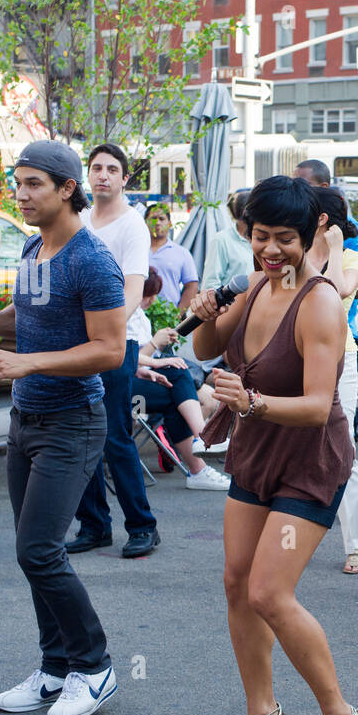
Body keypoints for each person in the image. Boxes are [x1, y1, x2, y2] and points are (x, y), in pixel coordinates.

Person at [187, 175, 358, 715]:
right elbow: (209, 346)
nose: (270, 250)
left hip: (309, 462)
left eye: (284, 239)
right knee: (236, 583)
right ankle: (261, 714)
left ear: (312, 233)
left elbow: (318, 405)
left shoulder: (319, 301)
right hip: (255, 454)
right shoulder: (254, 284)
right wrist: (208, 314)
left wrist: (252, 402)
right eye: (260, 236)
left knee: (268, 592)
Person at [0, 139, 128, 715]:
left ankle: (94, 667)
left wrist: (27, 362)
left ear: (66, 188)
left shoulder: (90, 258)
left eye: (33, 185)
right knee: (34, 555)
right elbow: (30, 316)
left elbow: (109, 349)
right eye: (17, 183)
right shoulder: (34, 247)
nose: (20, 195)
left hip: (72, 422)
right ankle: (56, 667)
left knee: (38, 549)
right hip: (26, 420)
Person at [68, 142, 160, 560]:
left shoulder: (132, 226)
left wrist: (101, 331)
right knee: (81, 434)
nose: (102, 175)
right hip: (77, 343)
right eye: (95, 168)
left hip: (116, 343)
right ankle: (94, 525)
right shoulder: (80, 219)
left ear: (125, 178)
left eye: (111, 169)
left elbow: (132, 292)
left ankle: (143, 527)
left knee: (114, 435)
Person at [308, 184, 358, 575]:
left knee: (341, 448)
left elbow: (337, 292)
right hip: (295, 358)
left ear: (320, 219)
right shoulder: (292, 254)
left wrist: (333, 249)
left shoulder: (352, 255)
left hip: (339, 359)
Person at [130, 270, 230, 491]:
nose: (153, 299)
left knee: (177, 382)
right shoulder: (124, 311)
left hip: (141, 376)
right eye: (150, 294)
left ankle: (199, 463)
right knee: (178, 377)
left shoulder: (139, 315)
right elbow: (124, 359)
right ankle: (202, 445)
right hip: (121, 382)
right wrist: (156, 345)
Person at [294, 159, 358, 274]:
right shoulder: (294, 222)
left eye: (304, 185)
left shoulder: (343, 224)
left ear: (324, 187)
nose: (297, 191)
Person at [145, 203, 199, 311]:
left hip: (167, 318)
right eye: (153, 218)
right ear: (145, 222)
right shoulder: (136, 249)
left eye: (161, 219)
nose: (158, 223)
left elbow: (191, 285)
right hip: (138, 315)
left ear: (169, 224)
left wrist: (177, 315)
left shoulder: (182, 253)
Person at [202, 189, 254, 295]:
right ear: (246, 213)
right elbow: (210, 284)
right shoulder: (222, 240)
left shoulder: (263, 241)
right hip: (232, 308)